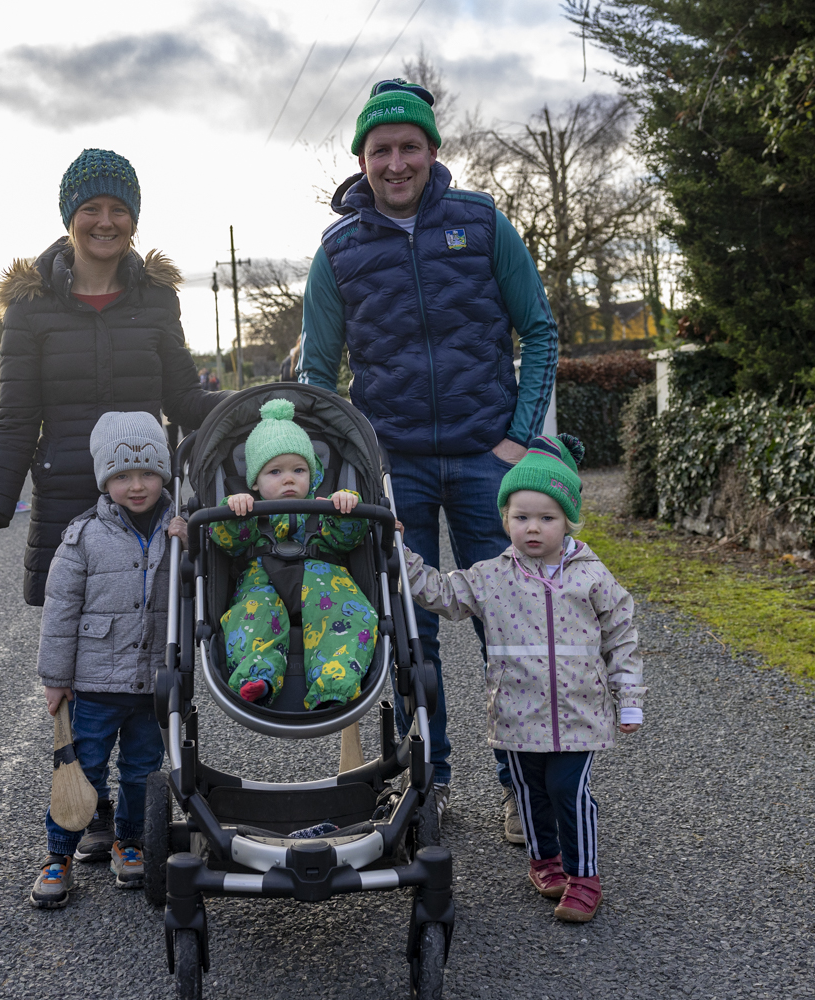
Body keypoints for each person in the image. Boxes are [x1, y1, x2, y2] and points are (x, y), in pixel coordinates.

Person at [297, 78, 560, 832]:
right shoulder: (338, 252)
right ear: (362, 159)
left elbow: (539, 329)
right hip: (395, 471)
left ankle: (521, 789)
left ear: (433, 150)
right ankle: (429, 781)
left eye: (409, 146)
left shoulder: (481, 223)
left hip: (487, 462)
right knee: (413, 637)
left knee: (507, 628)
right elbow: (317, 377)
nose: (396, 163)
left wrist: (517, 439)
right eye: (381, 149)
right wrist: (354, 465)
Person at [0, 148, 224, 604]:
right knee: (69, 636)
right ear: (70, 216)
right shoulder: (30, 308)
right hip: (65, 501)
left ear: (133, 220)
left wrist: (252, 403)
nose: (106, 222)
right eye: (91, 208)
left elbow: (183, 398)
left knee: (150, 633)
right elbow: (17, 422)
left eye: (118, 209)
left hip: (144, 500)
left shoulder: (157, 298)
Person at [400, 433, 644, 922]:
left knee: (567, 790)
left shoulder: (591, 576)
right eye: (520, 517)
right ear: (505, 519)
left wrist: (629, 697)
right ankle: (544, 859)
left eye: (546, 518)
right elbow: (441, 593)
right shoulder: (492, 575)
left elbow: (622, 634)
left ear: (568, 520)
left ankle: (584, 875)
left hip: (578, 714)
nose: (533, 528)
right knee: (529, 790)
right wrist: (399, 552)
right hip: (516, 712)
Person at [31, 411, 176, 909]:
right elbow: (59, 610)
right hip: (94, 683)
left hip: (152, 682)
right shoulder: (84, 537)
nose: (136, 486)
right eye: (122, 475)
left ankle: (128, 842)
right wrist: (55, 676)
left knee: (141, 770)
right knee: (82, 769)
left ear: (164, 474)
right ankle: (58, 853)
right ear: (104, 479)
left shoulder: (180, 531)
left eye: (148, 473)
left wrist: (192, 539)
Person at [171, 398, 376, 709]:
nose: (289, 479)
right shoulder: (248, 507)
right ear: (255, 481)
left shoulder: (327, 504)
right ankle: (257, 677)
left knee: (349, 614)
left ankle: (334, 684)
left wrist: (347, 511)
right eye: (275, 472)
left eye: (299, 469)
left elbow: (347, 542)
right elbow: (229, 544)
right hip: (261, 580)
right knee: (250, 616)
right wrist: (234, 514)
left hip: (325, 581)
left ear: (313, 473)